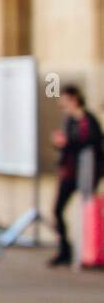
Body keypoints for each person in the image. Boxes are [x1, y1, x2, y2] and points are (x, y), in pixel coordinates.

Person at [48, 85, 103, 267]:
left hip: (87, 172)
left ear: (75, 98)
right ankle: (65, 249)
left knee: (88, 211)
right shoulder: (69, 121)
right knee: (58, 210)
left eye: (66, 101)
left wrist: (68, 142)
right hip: (70, 172)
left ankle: (90, 252)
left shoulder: (88, 121)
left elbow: (91, 144)